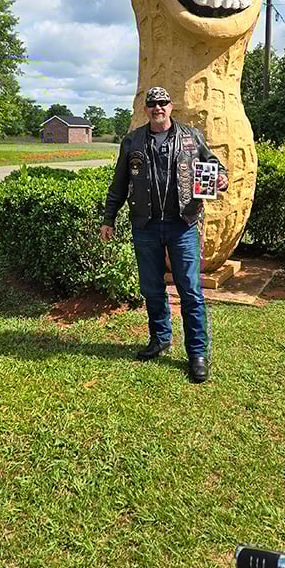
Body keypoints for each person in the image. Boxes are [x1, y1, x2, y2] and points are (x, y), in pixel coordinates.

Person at [100, 86, 228, 383]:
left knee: (191, 291)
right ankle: (160, 338)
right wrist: (109, 218)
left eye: (163, 103)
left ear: (171, 106)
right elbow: (119, 184)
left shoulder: (192, 136)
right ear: (146, 109)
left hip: (182, 223)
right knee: (151, 287)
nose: (158, 108)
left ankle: (197, 352)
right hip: (145, 225)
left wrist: (220, 177)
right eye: (153, 104)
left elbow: (213, 165)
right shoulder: (132, 141)